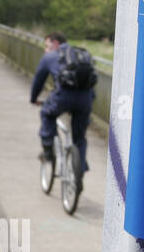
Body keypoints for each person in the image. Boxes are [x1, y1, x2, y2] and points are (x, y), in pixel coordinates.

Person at [29, 32, 95, 179]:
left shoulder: (50, 57)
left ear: (55, 43)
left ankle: (47, 150)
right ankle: (79, 169)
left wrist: (34, 99)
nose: (46, 50)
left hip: (63, 98)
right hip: (86, 99)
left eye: (47, 46)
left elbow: (38, 81)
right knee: (79, 137)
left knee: (46, 113)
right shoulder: (82, 54)